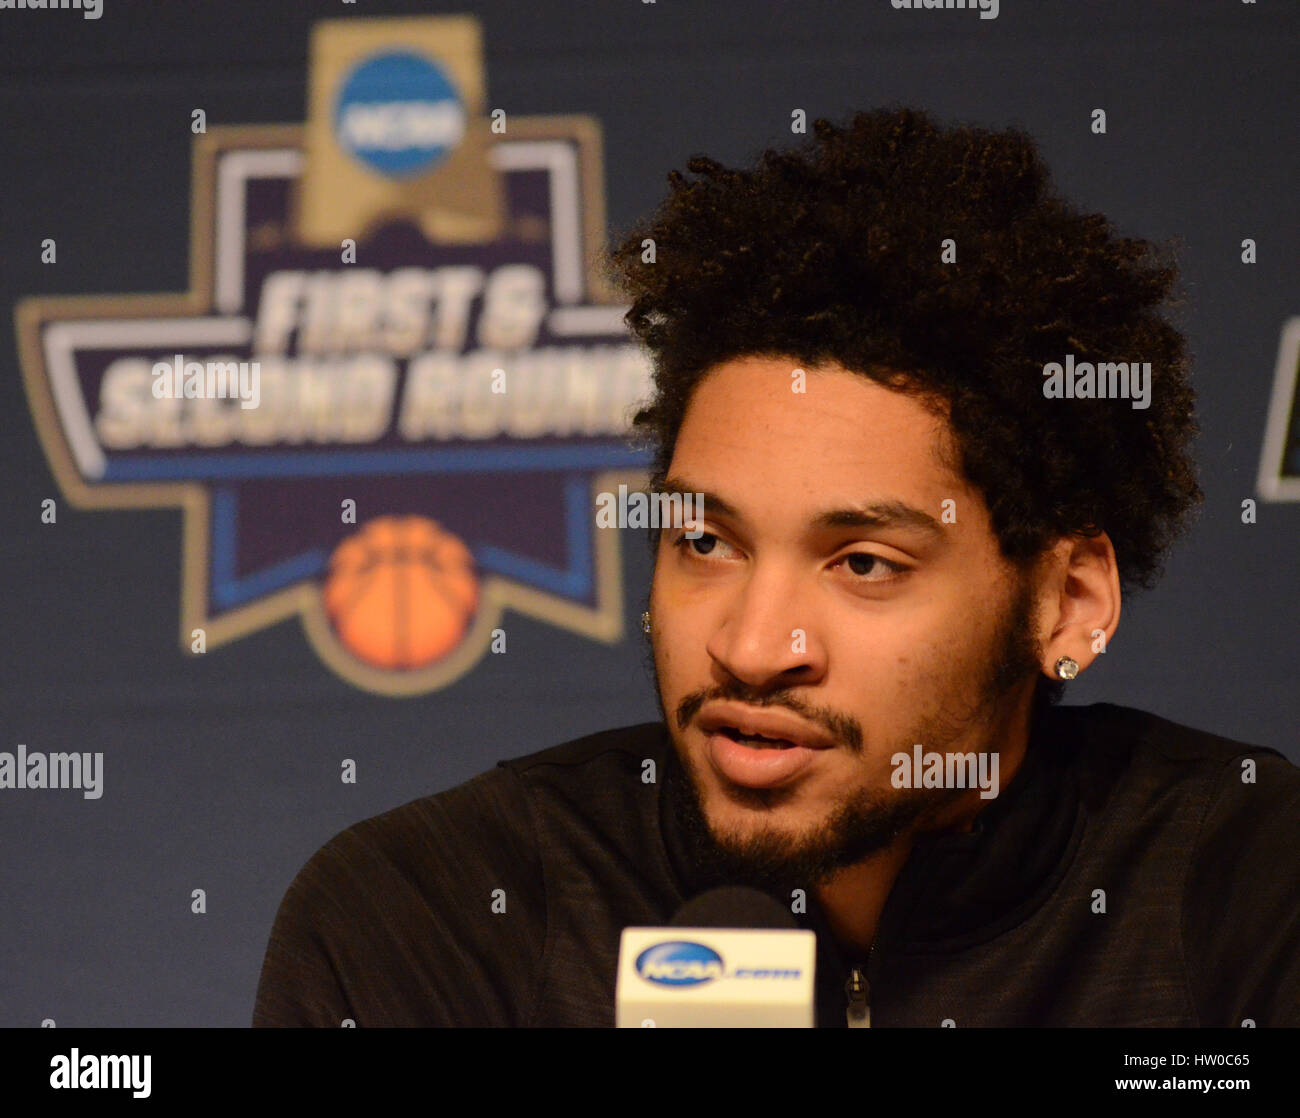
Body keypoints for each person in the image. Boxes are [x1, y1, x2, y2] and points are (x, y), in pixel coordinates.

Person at [253, 106, 1299, 1027]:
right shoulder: (431, 915)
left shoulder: (1244, 888)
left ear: (1065, 602)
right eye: (706, 543)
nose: (750, 649)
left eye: (862, 563)